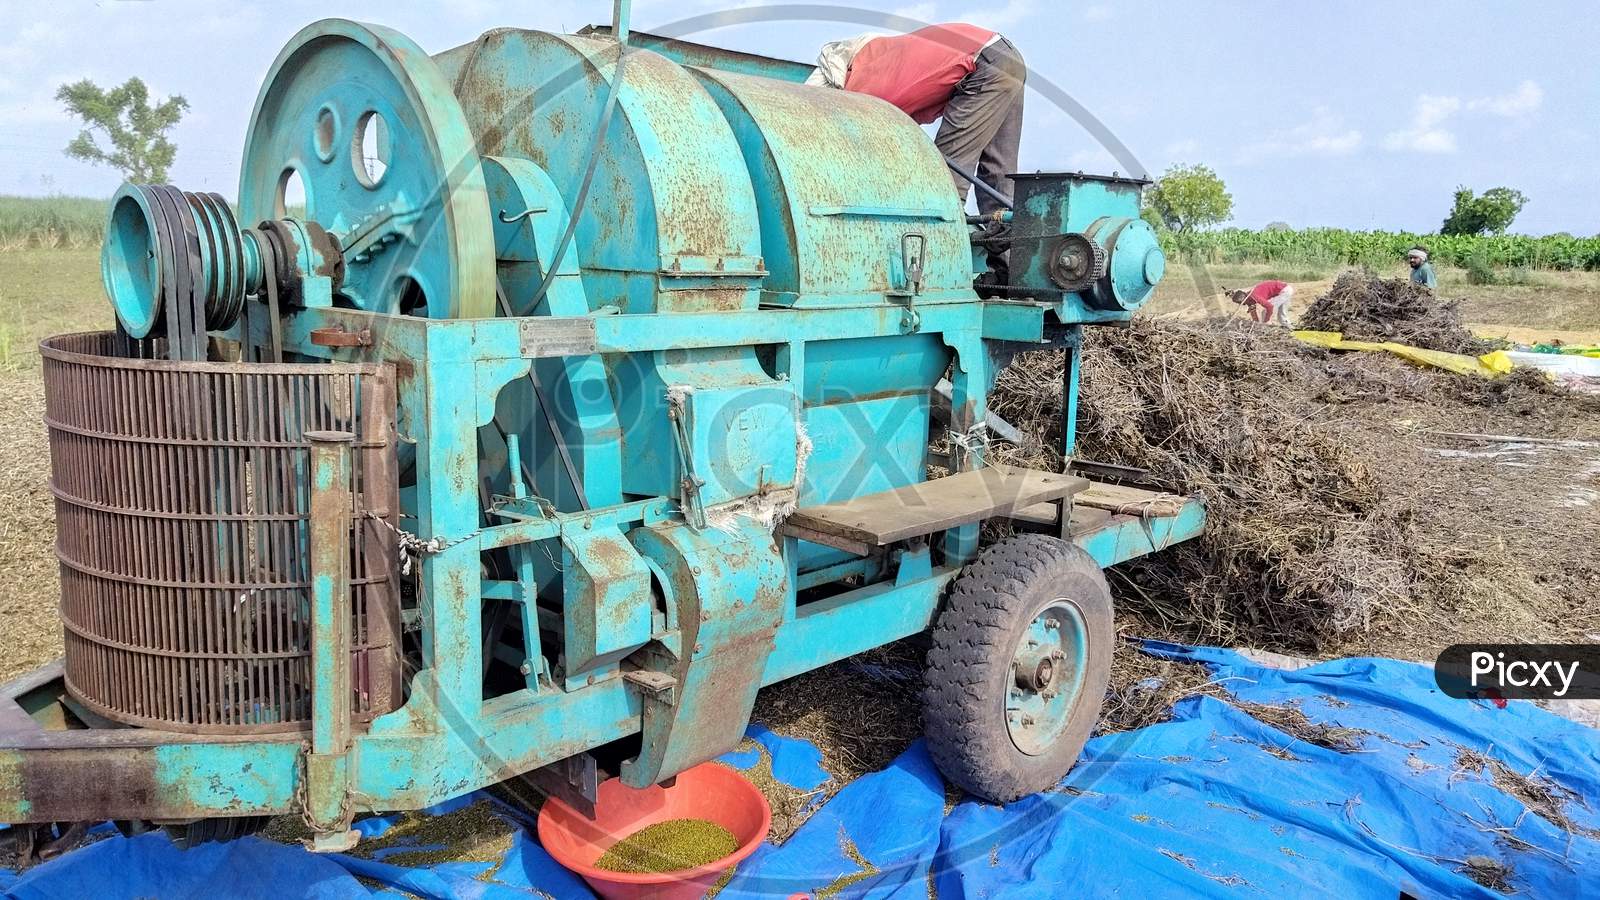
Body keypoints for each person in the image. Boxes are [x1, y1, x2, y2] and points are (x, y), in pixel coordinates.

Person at [805, 23, 1025, 217]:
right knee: (999, 179)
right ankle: (1007, 262)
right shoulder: (881, 55)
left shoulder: (862, 87)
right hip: (1006, 56)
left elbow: (871, 150)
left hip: (983, 63)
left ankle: (941, 258)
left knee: (945, 183)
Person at [1228, 280, 1294, 327]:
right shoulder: (1249, 299)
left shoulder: (1254, 295)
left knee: (1265, 312)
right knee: (1282, 313)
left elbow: (1270, 307)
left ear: (1243, 299)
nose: (1241, 304)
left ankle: (1267, 328)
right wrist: (1256, 325)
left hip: (1284, 290)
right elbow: (1253, 314)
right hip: (1284, 289)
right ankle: (1289, 327)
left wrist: (1266, 321)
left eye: (1240, 302)